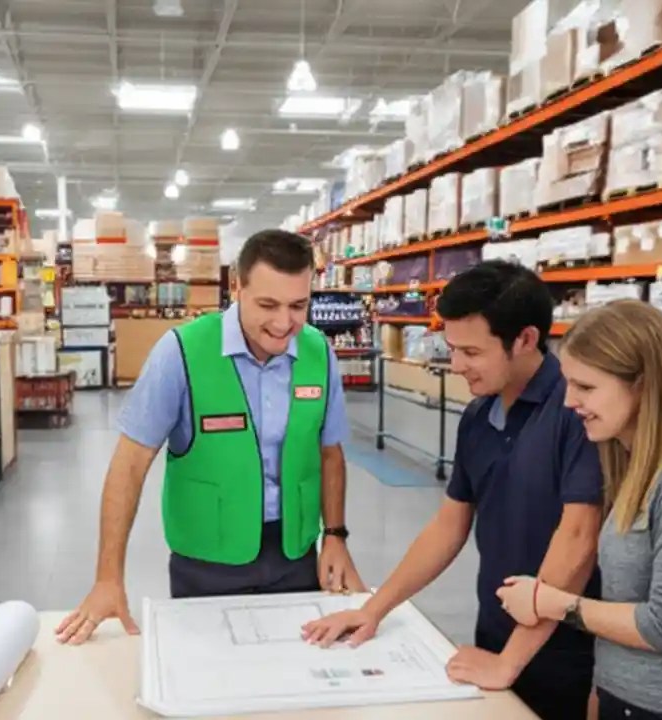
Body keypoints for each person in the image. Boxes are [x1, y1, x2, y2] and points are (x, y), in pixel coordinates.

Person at [301, 260, 602, 720]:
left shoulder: (576, 412)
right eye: (452, 348)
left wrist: (511, 661)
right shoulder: (479, 418)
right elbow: (449, 525)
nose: (455, 365)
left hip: (566, 646)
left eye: (472, 352)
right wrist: (373, 609)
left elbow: (578, 542)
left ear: (524, 339)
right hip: (496, 631)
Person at [56, 229, 363, 645]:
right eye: (268, 305)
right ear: (235, 286)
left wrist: (336, 536)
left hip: (296, 557)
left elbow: (330, 454)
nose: (283, 323)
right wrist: (108, 578)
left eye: (298, 306)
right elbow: (129, 466)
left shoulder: (317, 352)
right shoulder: (181, 352)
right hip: (206, 562)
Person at [497, 299, 662, 720]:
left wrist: (552, 602)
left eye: (587, 387)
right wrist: (604, 691)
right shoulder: (636, 467)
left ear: (644, 384)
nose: (569, 402)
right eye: (568, 385)